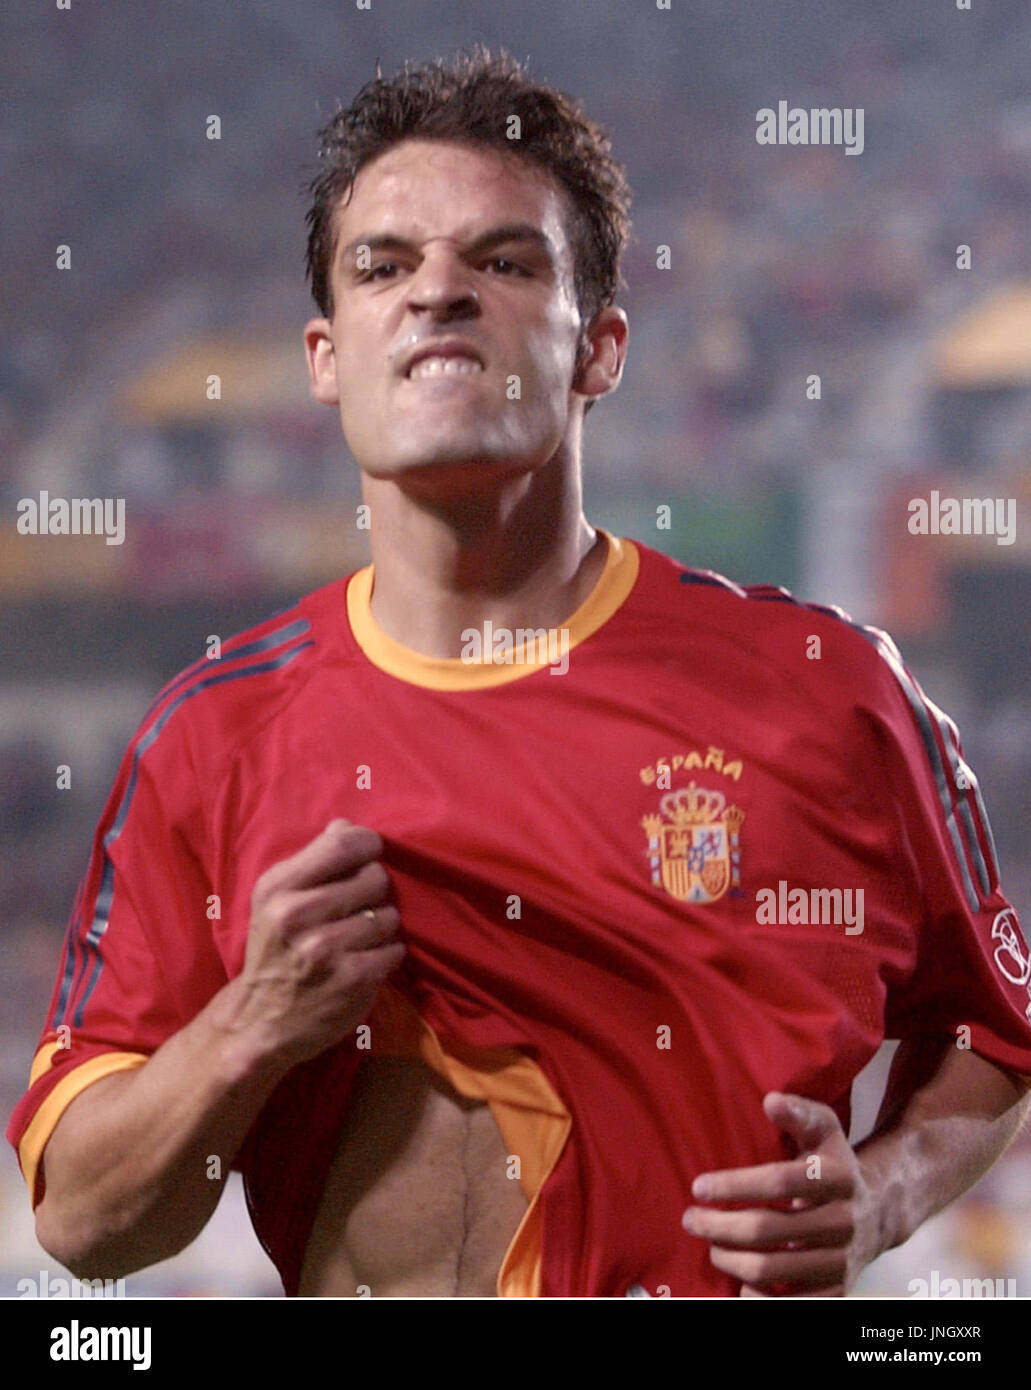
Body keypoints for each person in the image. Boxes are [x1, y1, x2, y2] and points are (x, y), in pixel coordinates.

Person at [9, 47, 1031, 1299]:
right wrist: (252, 1021)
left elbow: (992, 1026)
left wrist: (882, 1193)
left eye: (501, 262)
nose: (437, 294)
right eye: (384, 266)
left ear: (597, 349)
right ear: (326, 358)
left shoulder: (825, 689)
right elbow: (82, 1224)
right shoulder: (210, 740)